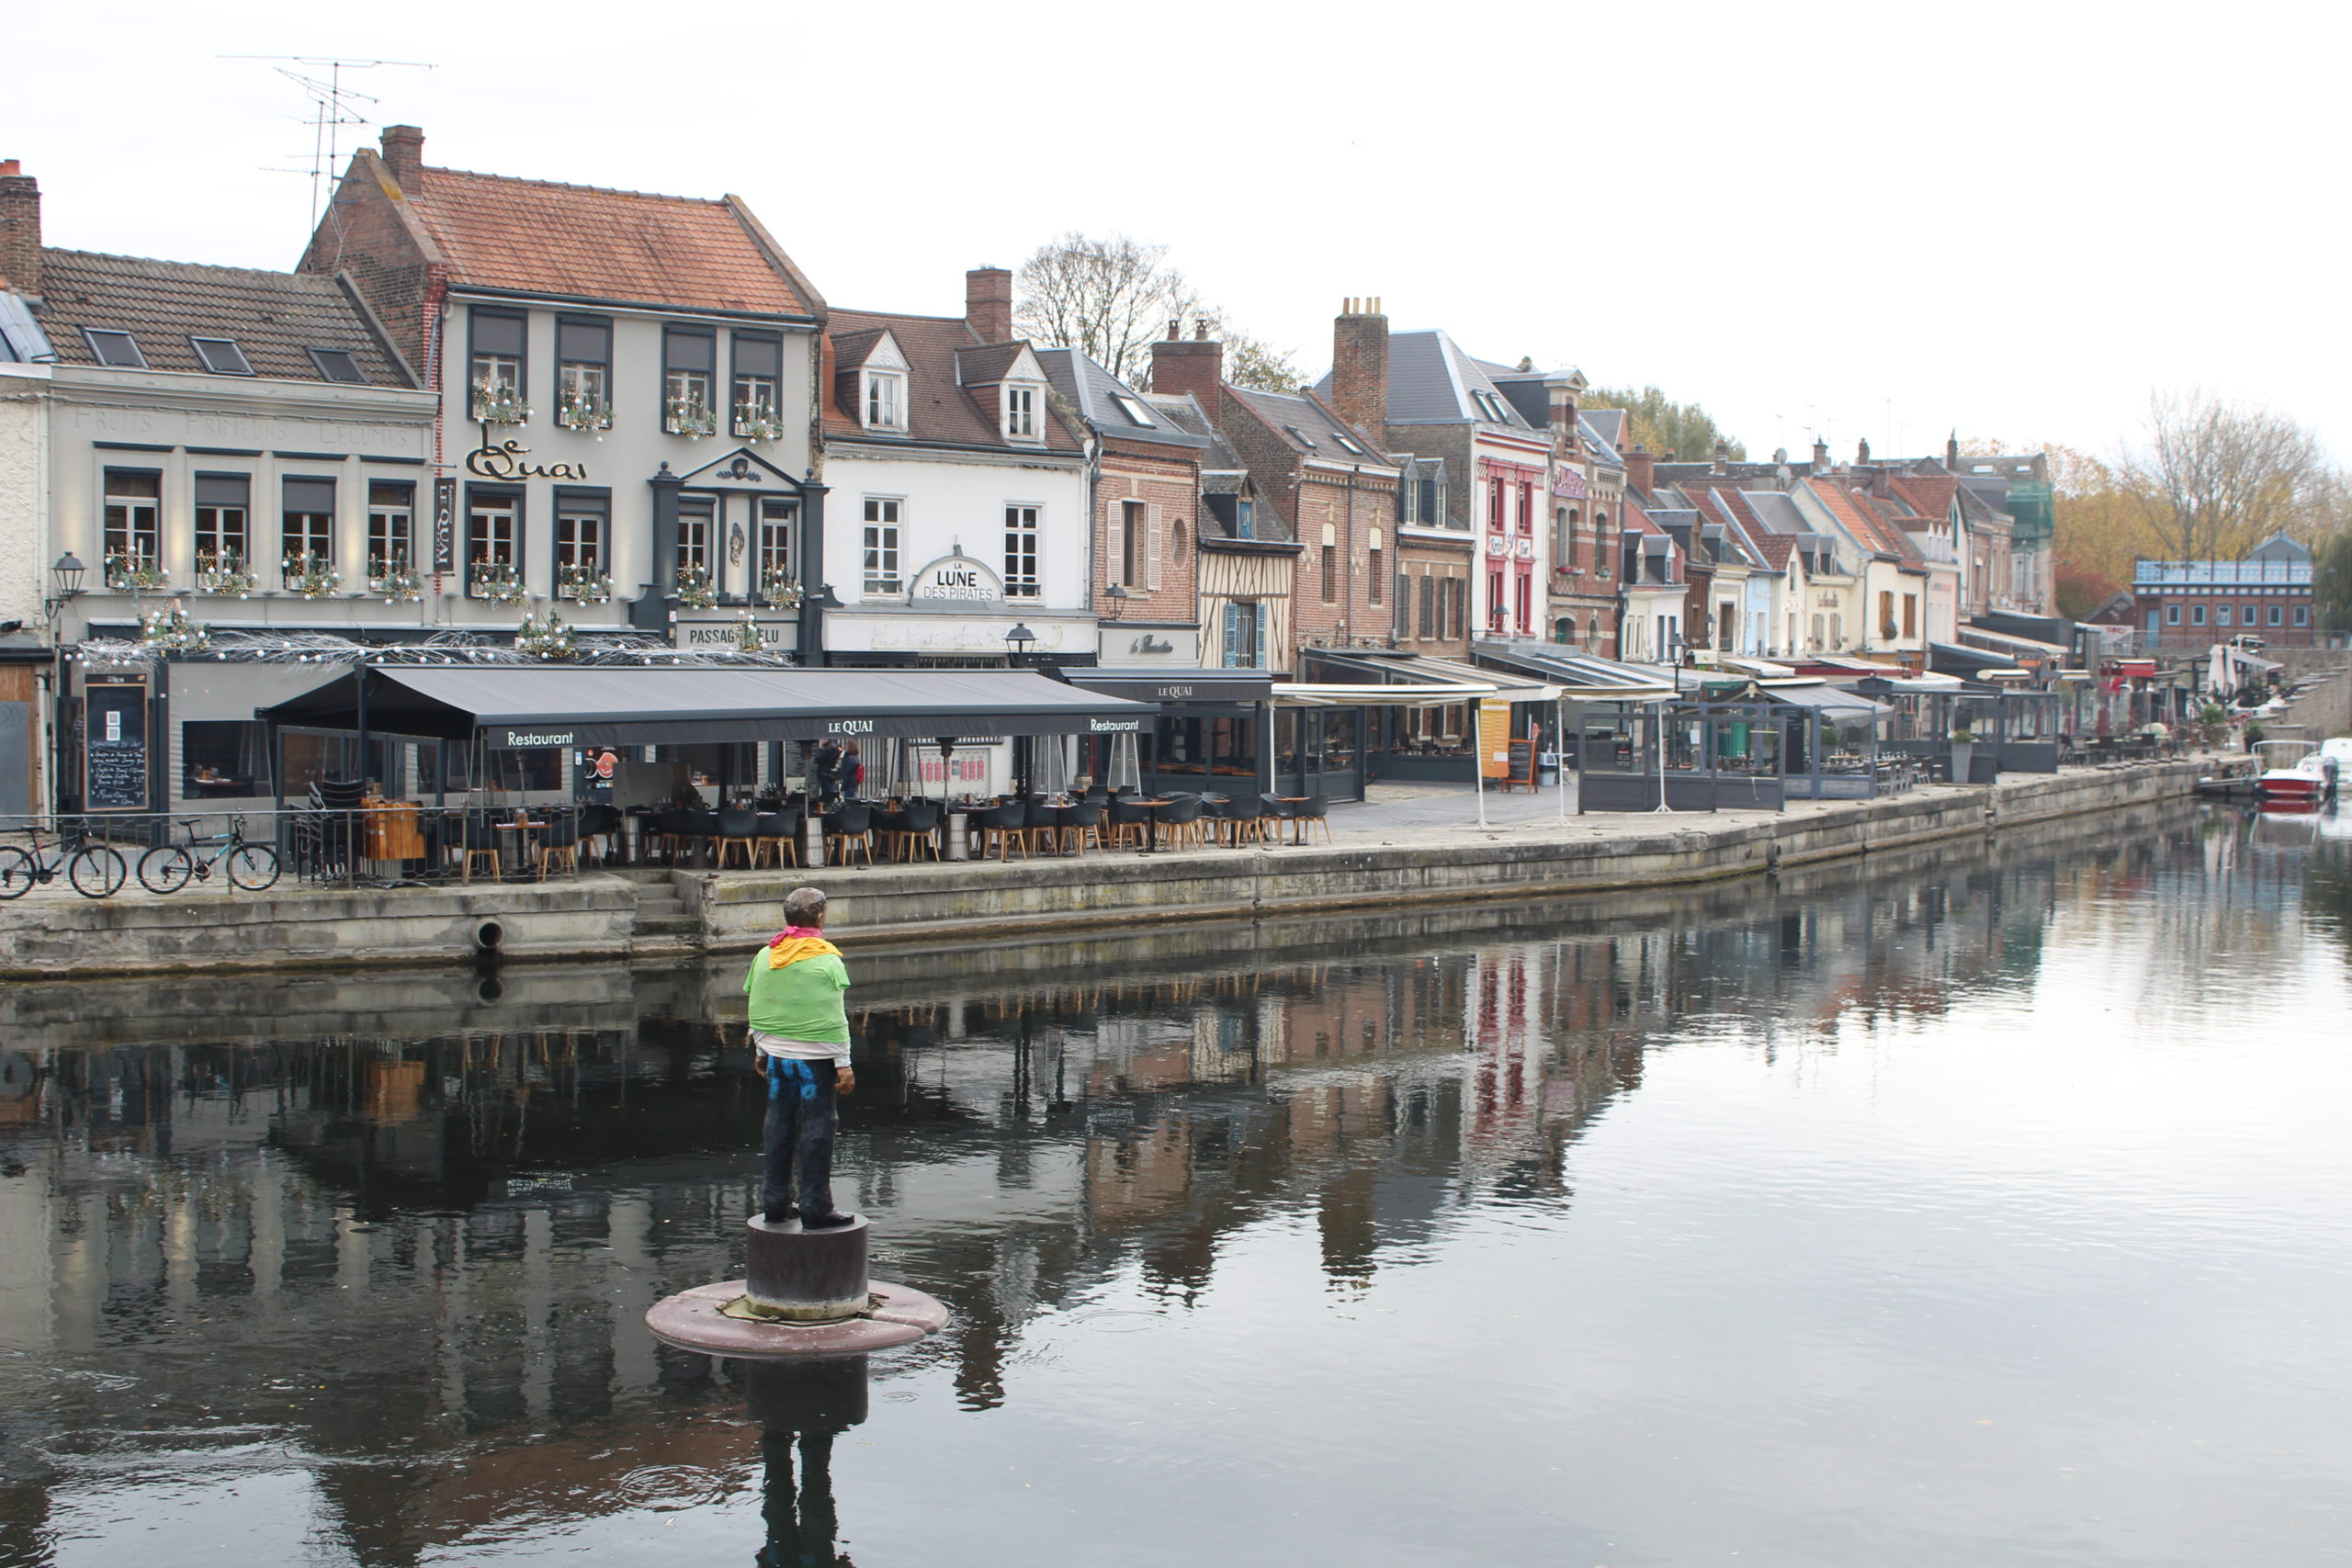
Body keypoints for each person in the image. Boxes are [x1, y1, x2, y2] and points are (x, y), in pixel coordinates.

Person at [742, 886, 857, 1229]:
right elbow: (832, 1016)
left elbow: (760, 1005)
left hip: (777, 1056)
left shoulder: (766, 955)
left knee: (778, 1125)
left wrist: (761, 1049)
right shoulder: (825, 959)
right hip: (815, 1061)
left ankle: (775, 1203)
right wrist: (844, 1063)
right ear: (820, 916)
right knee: (819, 1128)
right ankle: (815, 1207)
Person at [812, 739, 844, 809]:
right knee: (828, 793)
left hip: (825, 774)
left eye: (822, 739)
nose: (821, 741)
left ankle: (828, 809)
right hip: (830, 774)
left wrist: (820, 749)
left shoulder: (828, 749)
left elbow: (817, 759)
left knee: (827, 796)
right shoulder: (834, 747)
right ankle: (829, 807)